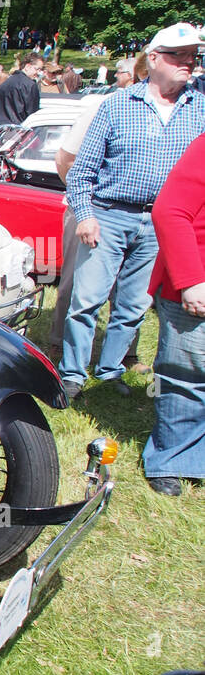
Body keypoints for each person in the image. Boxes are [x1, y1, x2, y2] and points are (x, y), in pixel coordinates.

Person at [59, 22, 205, 402]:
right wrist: (86, 214)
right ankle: (72, 373)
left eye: (193, 56)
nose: (188, 63)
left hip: (163, 224)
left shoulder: (200, 109)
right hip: (109, 215)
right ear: (153, 58)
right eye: (179, 55)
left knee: (133, 307)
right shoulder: (117, 105)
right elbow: (81, 171)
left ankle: (109, 372)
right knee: (86, 300)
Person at [143, 132, 205, 495]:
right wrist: (191, 279)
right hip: (196, 282)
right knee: (185, 377)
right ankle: (171, 459)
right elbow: (170, 210)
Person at [0, 52, 42, 128]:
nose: (39, 73)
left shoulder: (5, 83)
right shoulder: (30, 85)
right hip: (19, 132)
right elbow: (33, 116)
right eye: (37, 69)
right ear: (27, 66)